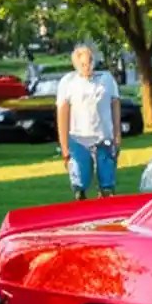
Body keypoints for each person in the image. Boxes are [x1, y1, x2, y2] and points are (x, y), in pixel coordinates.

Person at [57, 45, 122, 200]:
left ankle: (106, 200)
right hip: (78, 137)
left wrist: (117, 136)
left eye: (90, 62)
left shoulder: (106, 79)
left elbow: (115, 106)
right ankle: (81, 202)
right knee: (80, 177)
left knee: (107, 178)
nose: (87, 67)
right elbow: (62, 114)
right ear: (76, 65)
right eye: (83, 64)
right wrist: (64, 147)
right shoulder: (68, 82)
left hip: (103, 136)